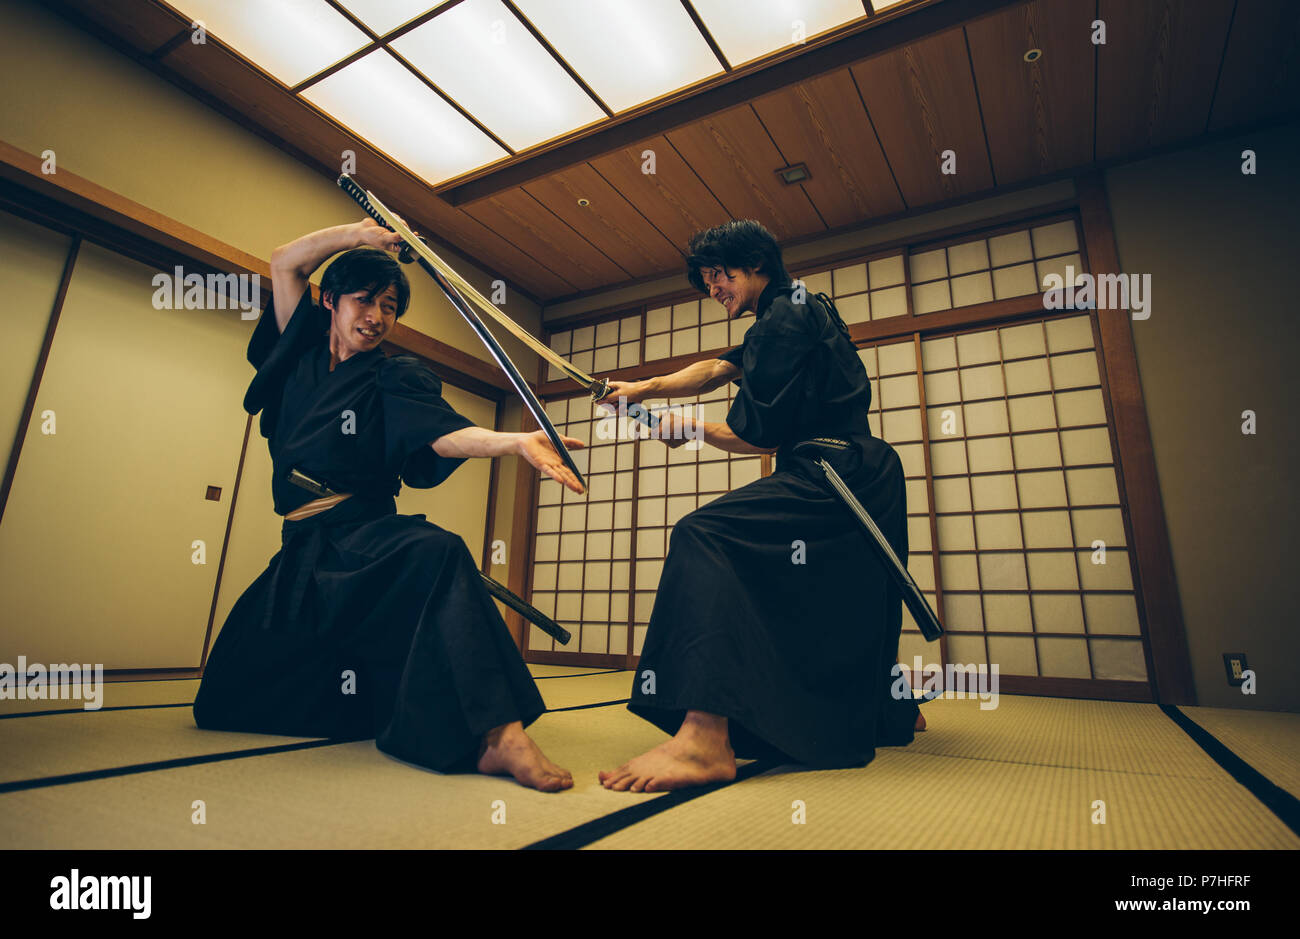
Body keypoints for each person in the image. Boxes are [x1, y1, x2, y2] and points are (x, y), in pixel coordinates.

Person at [193, 218, 583, 792]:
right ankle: (389, 705)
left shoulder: (393, 376)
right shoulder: (296, 352)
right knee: (225, 698)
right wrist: (357, 234)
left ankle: (501, 734)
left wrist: (514, 442)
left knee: (437, 551)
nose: (377, 317)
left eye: (391, 306)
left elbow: (439, 434)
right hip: (301, 552)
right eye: (365, 300)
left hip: (364, 538)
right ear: (330, 301)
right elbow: (284, 261)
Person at [597, 220, 924, 793]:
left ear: (754, 263)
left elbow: (759, 438)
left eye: (718, 275)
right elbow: (714, 370)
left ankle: (703, 735)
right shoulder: (795, 308)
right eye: (705, 282)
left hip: (831, 471)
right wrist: (642, 390)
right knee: (844, 589)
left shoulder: (782, 321)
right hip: (868, 472)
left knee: (705, 534)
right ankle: (889, 708)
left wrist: (686, 430)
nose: (714, 289)